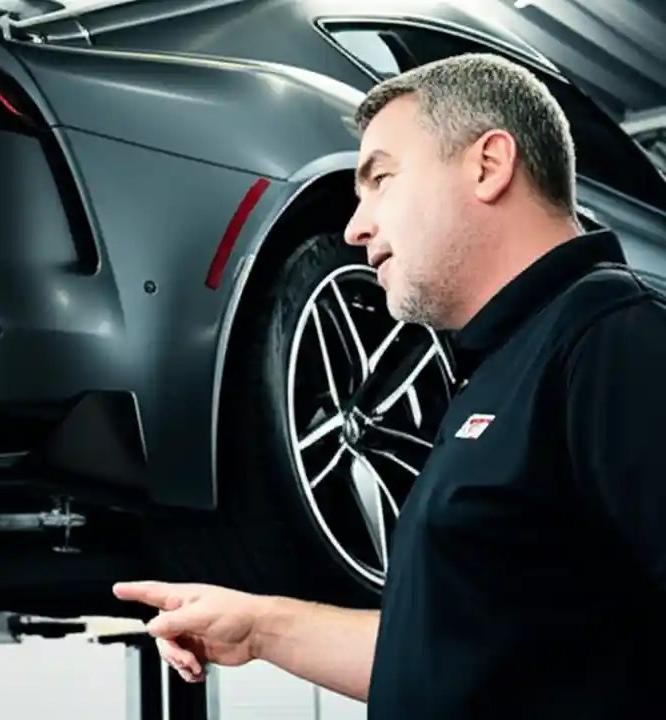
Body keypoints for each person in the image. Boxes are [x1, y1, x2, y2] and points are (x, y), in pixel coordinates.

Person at [114, 52, 666, 718]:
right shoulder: (502, 370)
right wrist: (260, 627)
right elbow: (444, 652)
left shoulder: (615, 342)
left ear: (488, 165)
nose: (355, 227)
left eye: (380, 179)